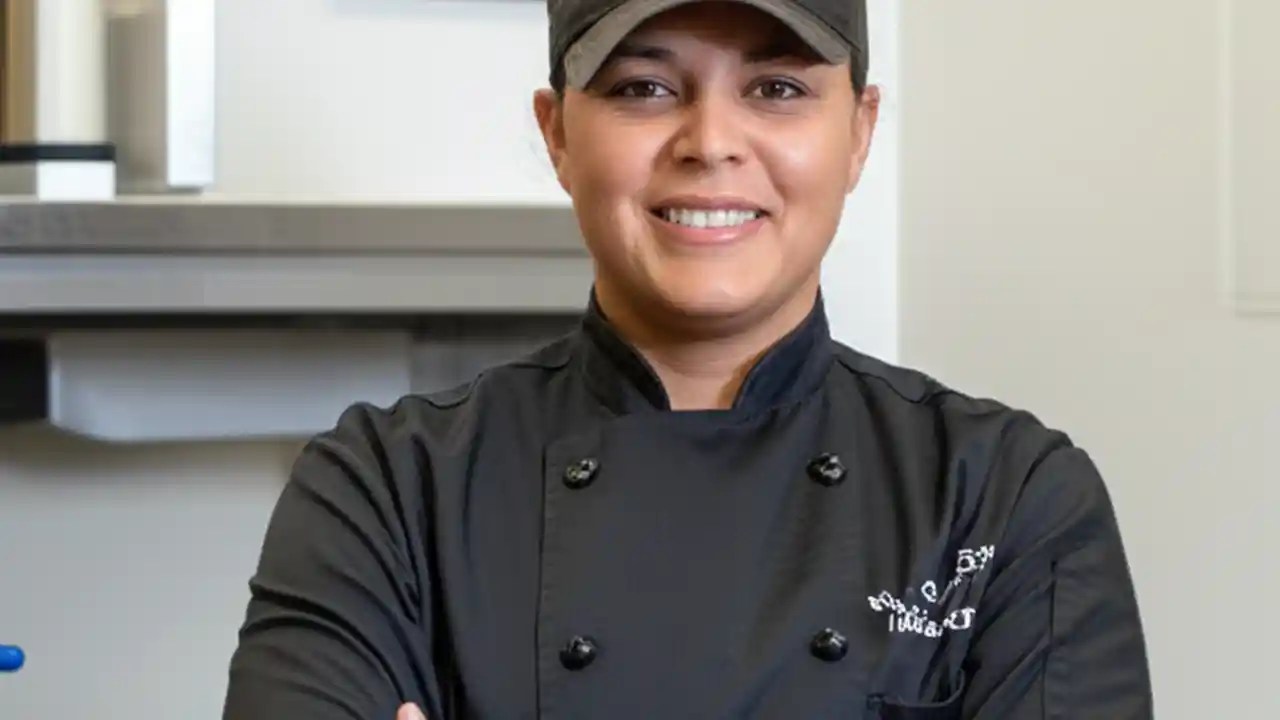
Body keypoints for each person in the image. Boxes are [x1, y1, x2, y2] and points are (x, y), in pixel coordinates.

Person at [222, 0, 1154, 717]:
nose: (710, 143)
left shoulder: (1009, 497)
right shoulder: (387, 491)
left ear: (860, 131)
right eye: (643, 88)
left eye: (777, 88)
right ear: (556, 132)